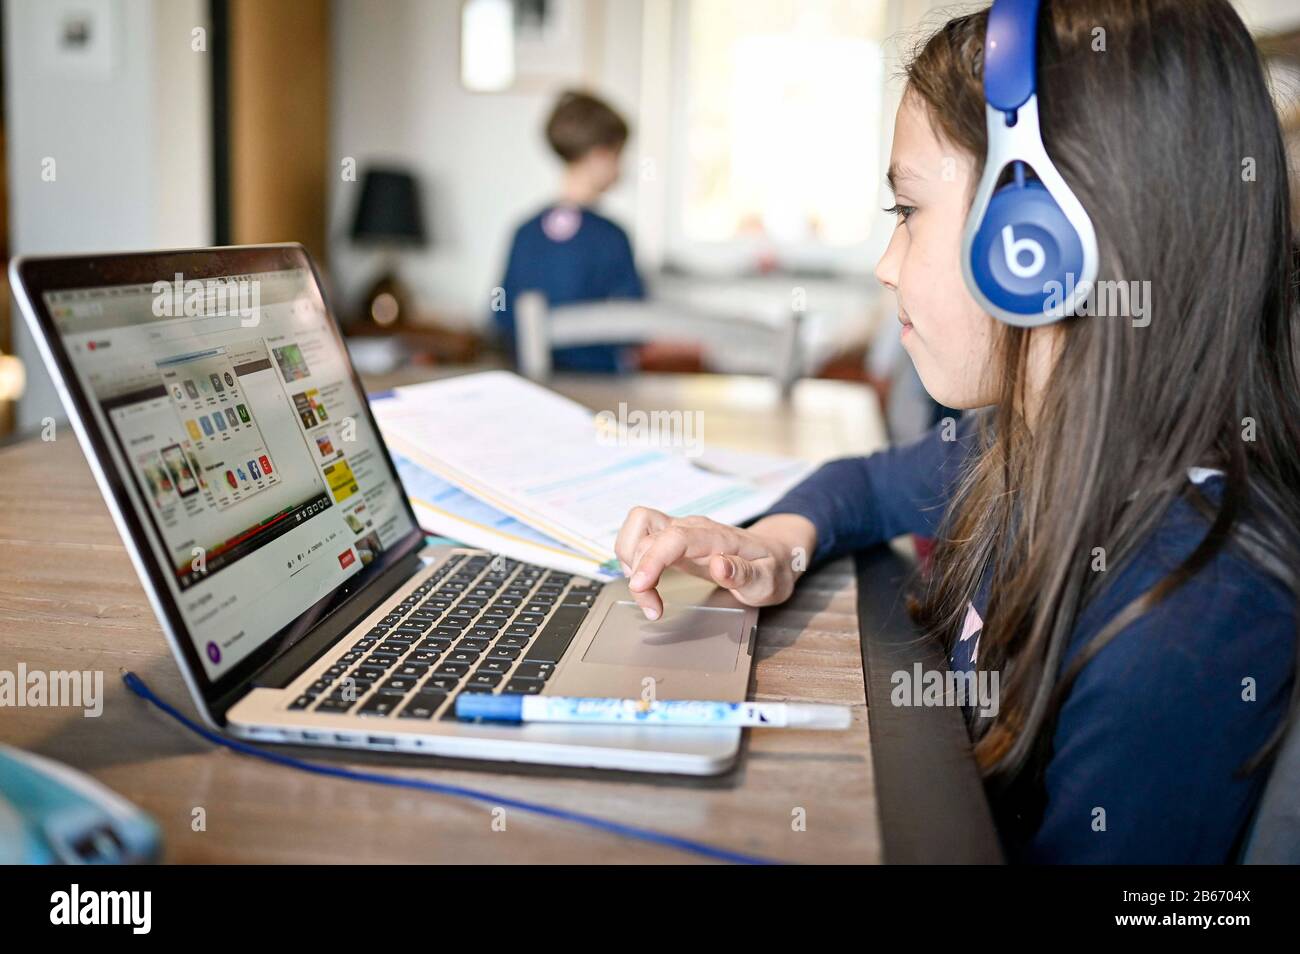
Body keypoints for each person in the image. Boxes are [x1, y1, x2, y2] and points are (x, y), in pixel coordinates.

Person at [613, 0, 1300, 863]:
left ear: (1032, 243)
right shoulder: (1024, 445)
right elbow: (864, 486)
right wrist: (770, 546)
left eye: (907, 211)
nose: (884, 262)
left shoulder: (1189, 622)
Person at [496, 90, 645, 373]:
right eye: (618, 155)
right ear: (600, 156)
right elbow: (635, 323)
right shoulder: (612, 236)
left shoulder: (524, 232)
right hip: (602, 387)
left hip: (534, 385)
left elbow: (498, 308)